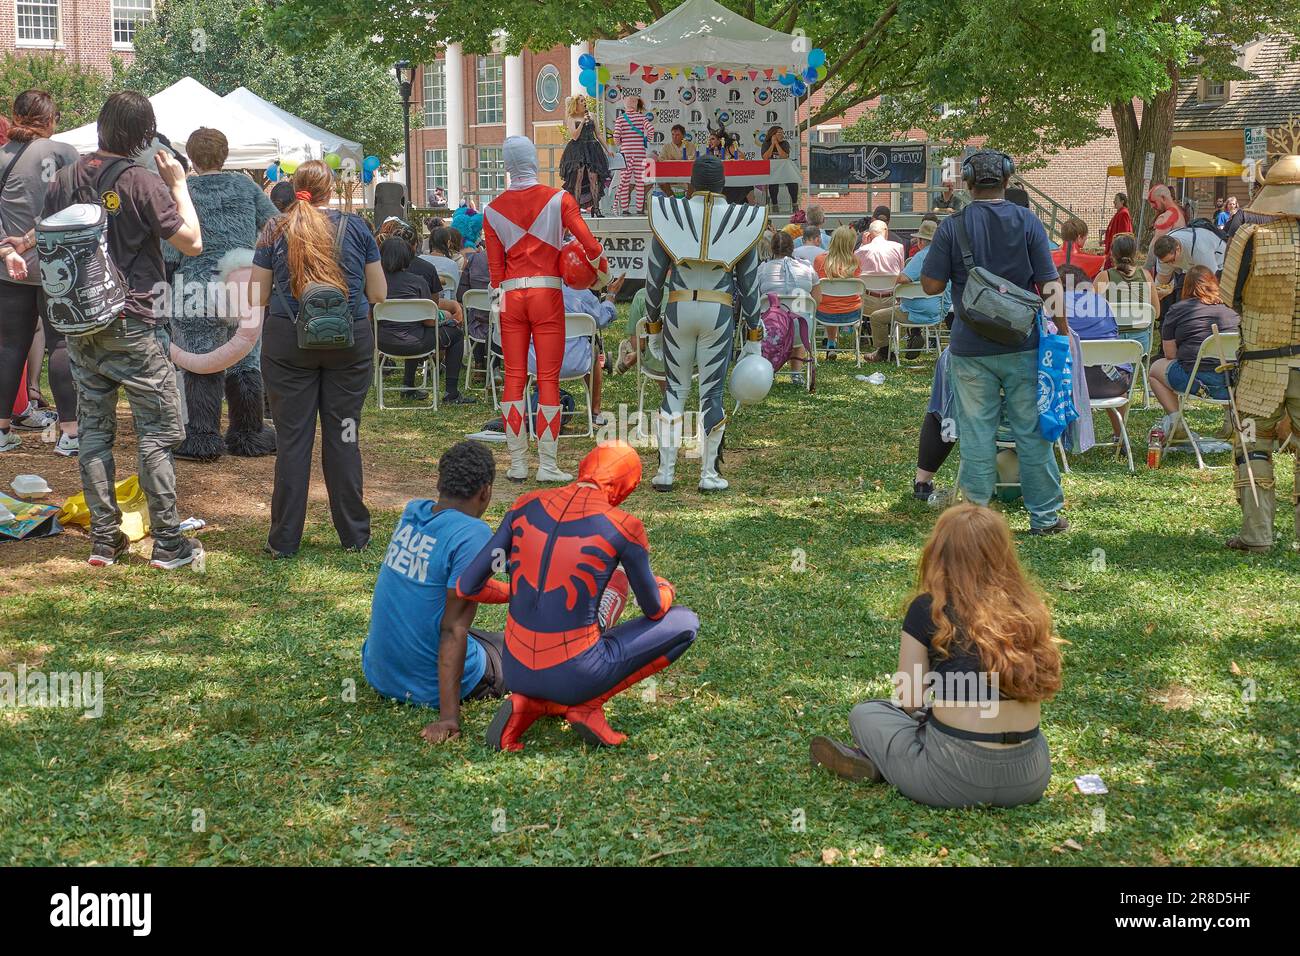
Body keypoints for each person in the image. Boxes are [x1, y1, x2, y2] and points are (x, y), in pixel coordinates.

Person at [20, 91, 203, 567]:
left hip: (81, 325)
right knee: (158, 433)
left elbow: (45, 237)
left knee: (95, 433)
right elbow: (193, 242)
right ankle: (168, 542)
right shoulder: (142, 181)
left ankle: (105, 540)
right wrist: (179, 184)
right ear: (144, 134)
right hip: (135, 321)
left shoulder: (64, 178)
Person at [810, 503, 1060, 808]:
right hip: (1030, 778)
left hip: (954, 778)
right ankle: (891, 762)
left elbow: (909, 699)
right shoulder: (1028, 610)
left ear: (939, 554)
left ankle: (882, 763)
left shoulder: (928, 609)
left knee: (867, 713)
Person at [458, 441, 700, 750]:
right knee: (685, 622)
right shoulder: (626, 527)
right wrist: (665, 589)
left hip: (515, 669)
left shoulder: (524, 505)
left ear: (584, 468)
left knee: (607, 591)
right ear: (626, 486)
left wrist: (517, 590)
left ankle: (529, 704)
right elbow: (654, 609)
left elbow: (468, 585)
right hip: (578, 674)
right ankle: (585, 705)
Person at [920, 148, 1069, 535]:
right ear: (1008, 179)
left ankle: (975, 522)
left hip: (969, 349)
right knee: (1032, 433)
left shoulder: (951, 227)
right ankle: (1045, 517)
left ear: (967, 183)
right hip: (1024, 344)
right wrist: (1062, 328)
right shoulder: (1028, 222)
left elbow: (931, 284)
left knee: (976, 434)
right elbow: (1049, 283)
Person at [252, 159, 385, 558]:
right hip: (349, 345)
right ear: (332, 189)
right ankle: (354, 535)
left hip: (288, 342)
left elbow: (257, 297)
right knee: (345, 434)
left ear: (295, 190)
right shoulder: (358, 227)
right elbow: (379, 294)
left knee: (293, 440)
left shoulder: (275, 228)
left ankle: (284, 540)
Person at [362, 441, 507, 742]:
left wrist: (511, 592)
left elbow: (459, 590)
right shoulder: (472, 533)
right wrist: (449, 718)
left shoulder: (414, 512)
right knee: (534, 653)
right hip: (426, 682)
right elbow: (453, 630)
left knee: (492, 638)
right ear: (486, 492)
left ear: (439, 482)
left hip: (381, 673)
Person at [484, 135, 604, 482]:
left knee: (514, 377)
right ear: (534, 161)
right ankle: (548, 464)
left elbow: (495, 275)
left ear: (507, 166)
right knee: (547, 378)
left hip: (510, 297)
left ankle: (518, 462)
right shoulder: (559, 199)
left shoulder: (492, 211)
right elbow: (590, 245)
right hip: (547, 294)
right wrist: (603, 273)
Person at [644, 155, 765, 492]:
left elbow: (653, 280)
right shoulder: (743, 219)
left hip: (679, 309)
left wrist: (652, 325)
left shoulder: (668, 215)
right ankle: (708, 474)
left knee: (675, 390)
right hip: (718, 311)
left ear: (691, 184)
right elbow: (750, 285)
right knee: (711, 393)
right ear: (723, 185)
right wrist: (754, 332)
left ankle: (666, 473)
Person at [164, 127, 279, 463]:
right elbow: (274, 224)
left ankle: (202, 435)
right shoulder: (246, 186)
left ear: (192, 157)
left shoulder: (183, 191)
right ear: (224, 154)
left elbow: (170, 246)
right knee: (245, 359)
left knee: (200, 361)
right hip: (241, 284)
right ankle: (248, 432)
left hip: (194, 287)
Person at [1217, 150, 1300, 553]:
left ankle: (1257, 534)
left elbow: (1226, 297)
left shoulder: (1248, 237)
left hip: (1261, 368)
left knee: (1251, 446)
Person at [0, 90, 80, 455]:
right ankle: (71, 433)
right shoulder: (66, 154)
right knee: (62, 345)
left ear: (15, 117)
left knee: (8, 346)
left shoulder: (2, 157)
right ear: (50, 119)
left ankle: (1, 431)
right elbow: (81, 211)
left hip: (9, 269)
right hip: (58, 265)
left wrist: (6, 248)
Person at [378, 235, 474, 405]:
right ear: (407, 257)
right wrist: (446, 318)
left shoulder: (376, 283)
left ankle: (408, 386)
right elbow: (429, 322)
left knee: (413, 329)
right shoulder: (418, 282)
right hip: (417, 342)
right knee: (455, 335)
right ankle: (451, 393)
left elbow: (371, 316)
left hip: (383, 342)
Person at [528, 274, 625, 426]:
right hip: (576, 363)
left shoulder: (530, 292)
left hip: (537, 364)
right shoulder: (581, 294)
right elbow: (603, 318)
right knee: (595, 348)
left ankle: (523, 408)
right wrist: (611, 294)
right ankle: (595, 412)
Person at [1149, 266, 1240, 413]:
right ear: (1214, 284)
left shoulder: (1177, 310)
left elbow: (1170, 354)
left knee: (1154, 370)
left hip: (1195, 382)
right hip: (1232, 384)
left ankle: (1176, 420)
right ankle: (1230, 420)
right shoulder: (1232, 311)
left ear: (1185, 287)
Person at [1058, 263, 1130, 443]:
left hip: (1070, 385)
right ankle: (1119, 435)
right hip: (1114, 383)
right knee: (1110, 365)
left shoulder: (1054, 304)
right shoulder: (1101, 302)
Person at [868, 218, 951, 363]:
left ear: (920, 241)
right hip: (937, 312)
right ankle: (915, 333)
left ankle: (883, 352)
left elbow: (903, 279)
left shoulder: (921, 256)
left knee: (877, 317)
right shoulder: (947, 257)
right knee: (909, 303)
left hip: (913, 312)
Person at [758, 230, 819, 386]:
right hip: (803, 331)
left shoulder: (762, 269)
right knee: (799, 318)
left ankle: (768, 370)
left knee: (784, 320)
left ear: (772, 249)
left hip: (770, 332)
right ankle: (796, 374)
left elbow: (755, 300)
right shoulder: (807, 267)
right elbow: (817, 299)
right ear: (792, 248)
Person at [1093, 233, 1159, 354]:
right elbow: (1156, 313)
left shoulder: (1104, 277)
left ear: (1112, 254)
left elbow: (1092, 311)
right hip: (1141, 343)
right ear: (1135, 253)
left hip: (1112, 340)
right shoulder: (1146, 276)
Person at [813, 225, 864, 357]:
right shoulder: (855, 262)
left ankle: (831, 342)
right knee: (837, 302)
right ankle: (836, 340)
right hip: (852, 313)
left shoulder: (819, 260)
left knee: (830, 302)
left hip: (824, 314)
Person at [857, 220, 905, 358]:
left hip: (866, 304)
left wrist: (862, 246)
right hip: (892, 301)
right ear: (886, 231)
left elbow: (856, 275)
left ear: (869, 235)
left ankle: (881, 349)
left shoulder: (861, 251)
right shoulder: (898, 248)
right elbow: (901, 272)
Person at [559, 95, 610, 215]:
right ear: (576, 104)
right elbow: (574, 136)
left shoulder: (592, 115)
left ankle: (596, 208)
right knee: (579, 178)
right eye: (582, 101)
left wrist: (607, 150)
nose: (584, 103)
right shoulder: (571, 118)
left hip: (592, 148)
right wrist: (582, 122)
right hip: (578, 150)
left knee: (594, 178)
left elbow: (598, 134)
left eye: (584, 101)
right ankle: (576, 208)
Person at [613, 96, 653, 216]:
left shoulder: (620, 119)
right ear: (635, 104)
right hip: (639, 153)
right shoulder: (642, 117)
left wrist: (620, 143)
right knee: (640, 182)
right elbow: (651, 129)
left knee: (624, 183)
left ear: (625, 105)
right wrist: (646, 139)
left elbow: (616, 137)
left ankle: (625, 209)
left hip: (626, 154)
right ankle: (639, 209)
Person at [761, 125, 797, 211]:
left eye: (782, 133)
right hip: (772, 171)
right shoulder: (766, 144)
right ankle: (775, 205)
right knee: (773, 183)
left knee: (793, 182)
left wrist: (777, 144)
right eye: (779, 133)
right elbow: (765, 157)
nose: (782, 135)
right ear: (773, 134)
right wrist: (772, 144)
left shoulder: (785, 143)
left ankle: (795, 204)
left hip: (784, 170)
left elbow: (784, 156)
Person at [421, 225, 461, 292]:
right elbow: (454, 291)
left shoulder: (420, 260)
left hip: (425, 300)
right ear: (448, 243)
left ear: (430, 242)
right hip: (447, 300)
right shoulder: (452, 264)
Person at [1102, 192, 1132, 266]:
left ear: (1122, 201)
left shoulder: (1123, 213)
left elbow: (1123, 234)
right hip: (1113, 247)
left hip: (1117, 249)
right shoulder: (1119, 213)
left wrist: (1116, 250)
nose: (1114, 202)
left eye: (1116, 200)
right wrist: (1105, 241)